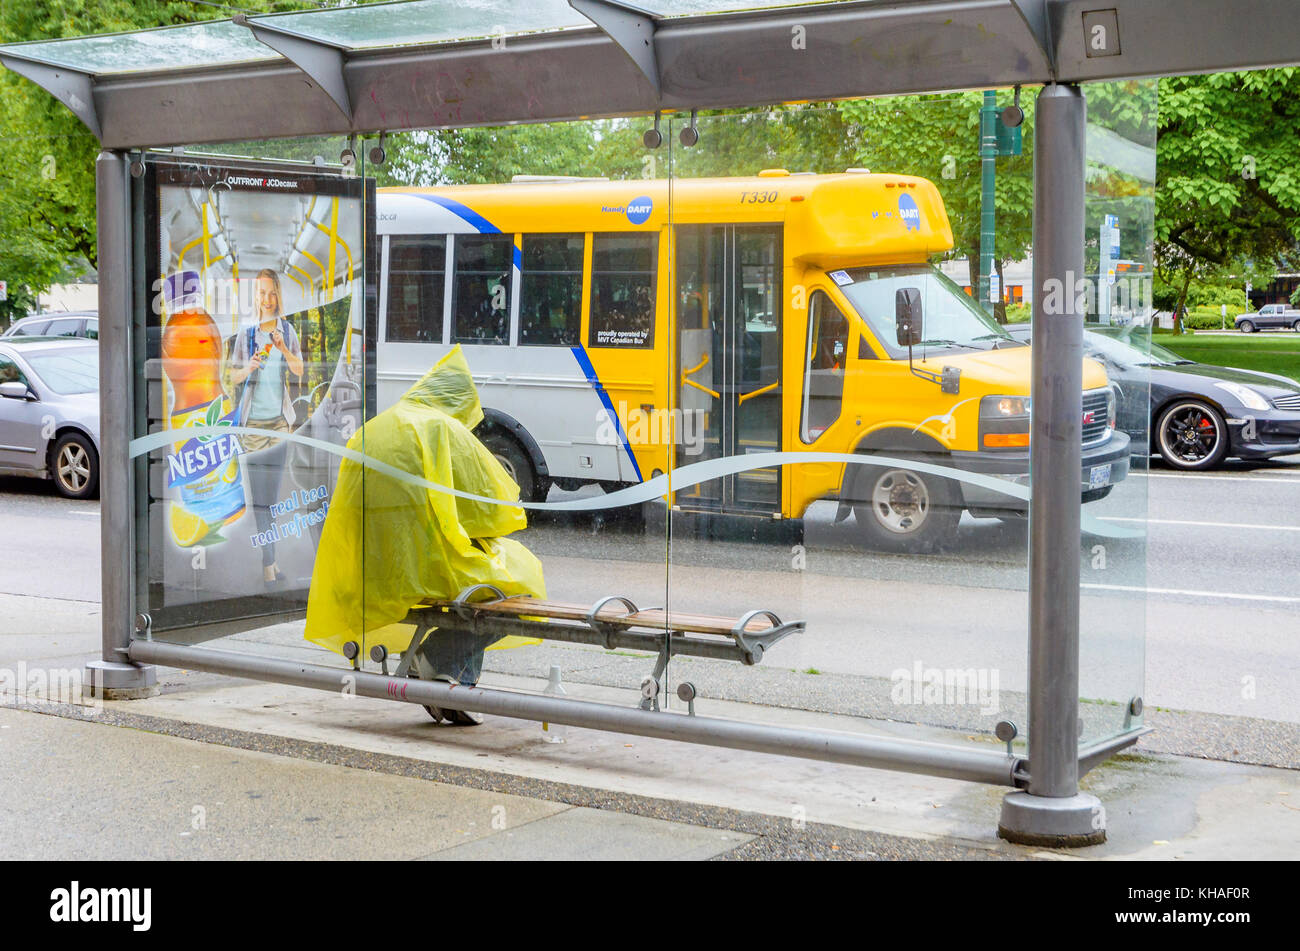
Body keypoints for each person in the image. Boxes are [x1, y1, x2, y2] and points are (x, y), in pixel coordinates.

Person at [228, 269, 304, 585]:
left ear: (278, 295)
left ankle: (269, 564)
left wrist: (283, 349)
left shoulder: (287, 330)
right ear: (255, 297)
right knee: (262, 499)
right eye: (262, 293)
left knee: (269, 498)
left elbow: (300, 370)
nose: (267, 299)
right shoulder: (247, 334)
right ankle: (269, 564)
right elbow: (231, 377)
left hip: (279, 425)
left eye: (272, 293)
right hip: (253, 428)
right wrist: (251, 367)